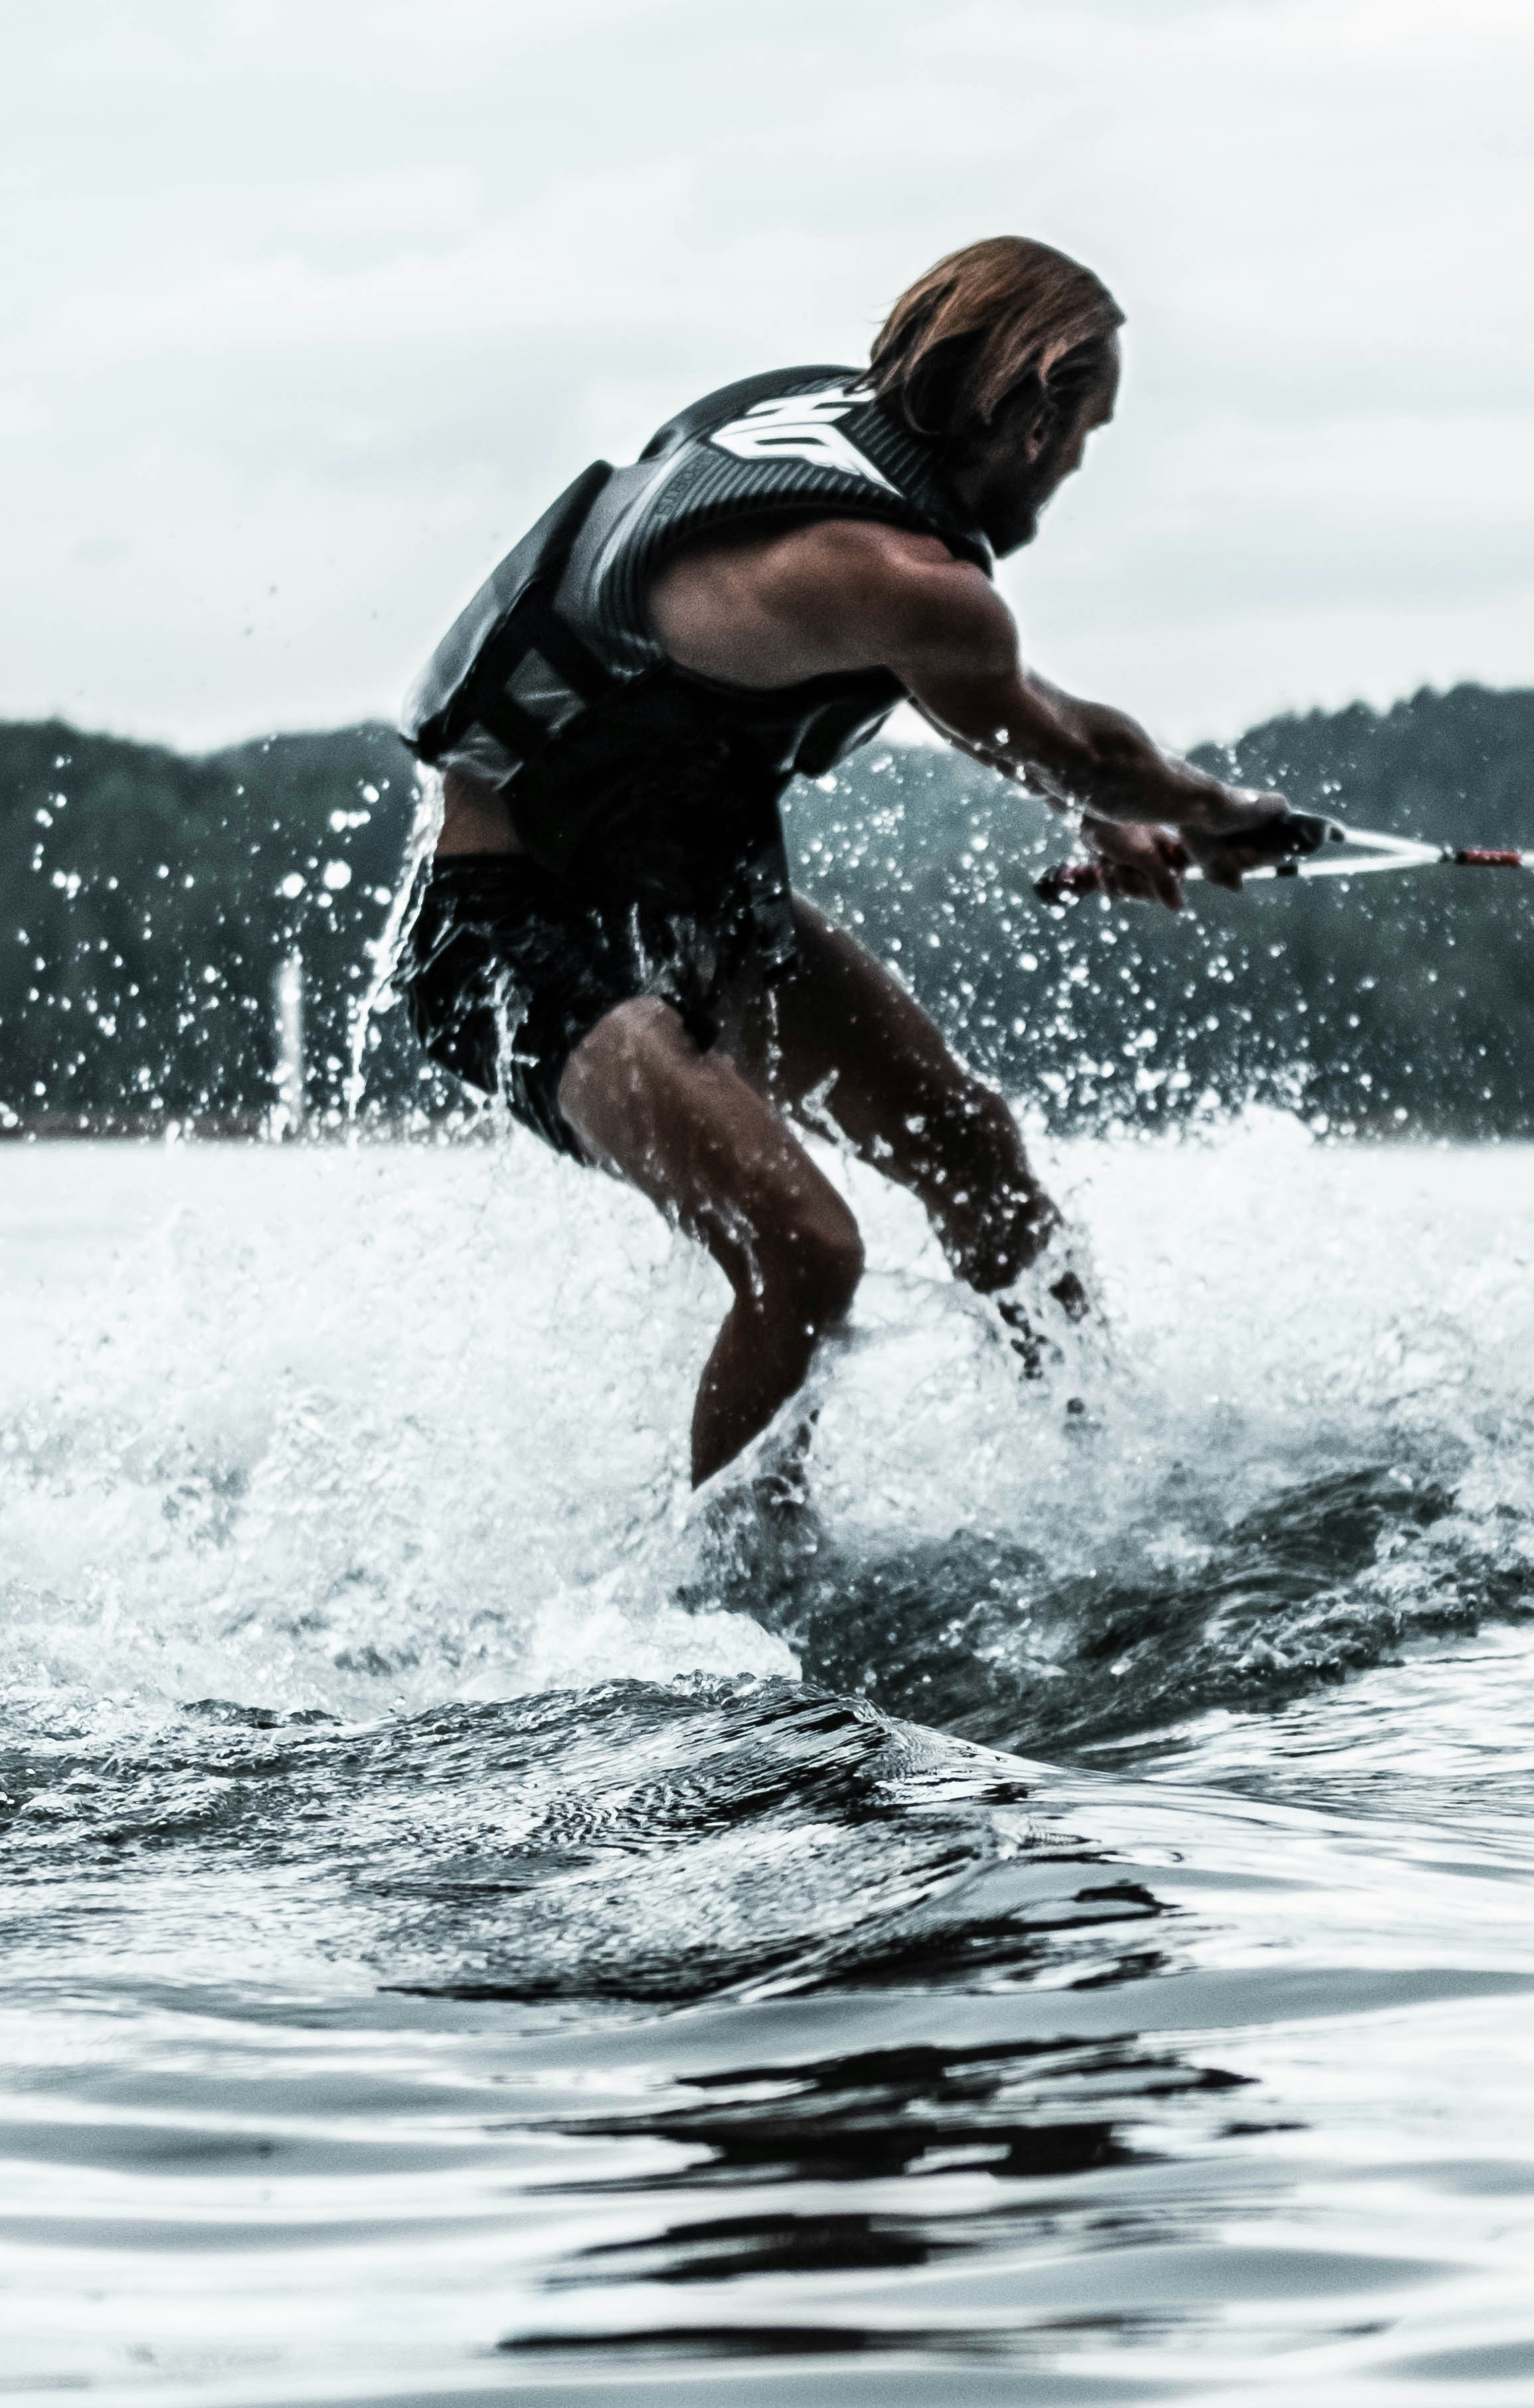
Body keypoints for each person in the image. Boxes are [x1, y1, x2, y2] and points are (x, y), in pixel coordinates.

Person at [395, 236, 1329, 1496]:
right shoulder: (895, 571)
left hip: (693, 902)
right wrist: (1214, 813)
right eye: (1085, 433)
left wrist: (1098, 814)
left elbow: (981, 695)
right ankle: (732, 1602)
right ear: (1031, 411)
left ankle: (1109, 1479)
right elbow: (1083, 742)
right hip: (508, 933)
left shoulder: (837, 457)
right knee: (804, 1246)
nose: (1074, 471)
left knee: (971, 1152)